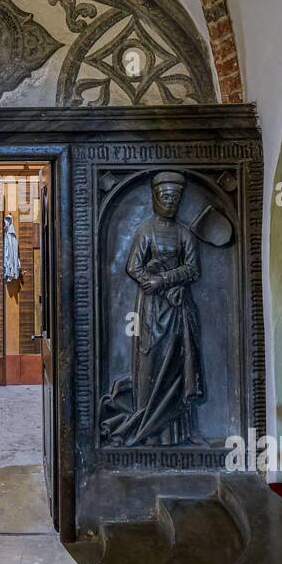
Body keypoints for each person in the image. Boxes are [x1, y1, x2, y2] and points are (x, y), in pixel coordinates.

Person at [100, 171, 204, 446]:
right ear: (155, 198)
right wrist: (153, 283)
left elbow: (193, 269)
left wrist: (166, 279)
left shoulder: (184, 233)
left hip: (178, 308)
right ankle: (149, 427)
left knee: (179, 367)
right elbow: (133, 266)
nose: (170, 202)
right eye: (165, 197)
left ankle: (179, 431)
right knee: (152, 363)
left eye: (175, 198)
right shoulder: (146, 231)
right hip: (152, 308)